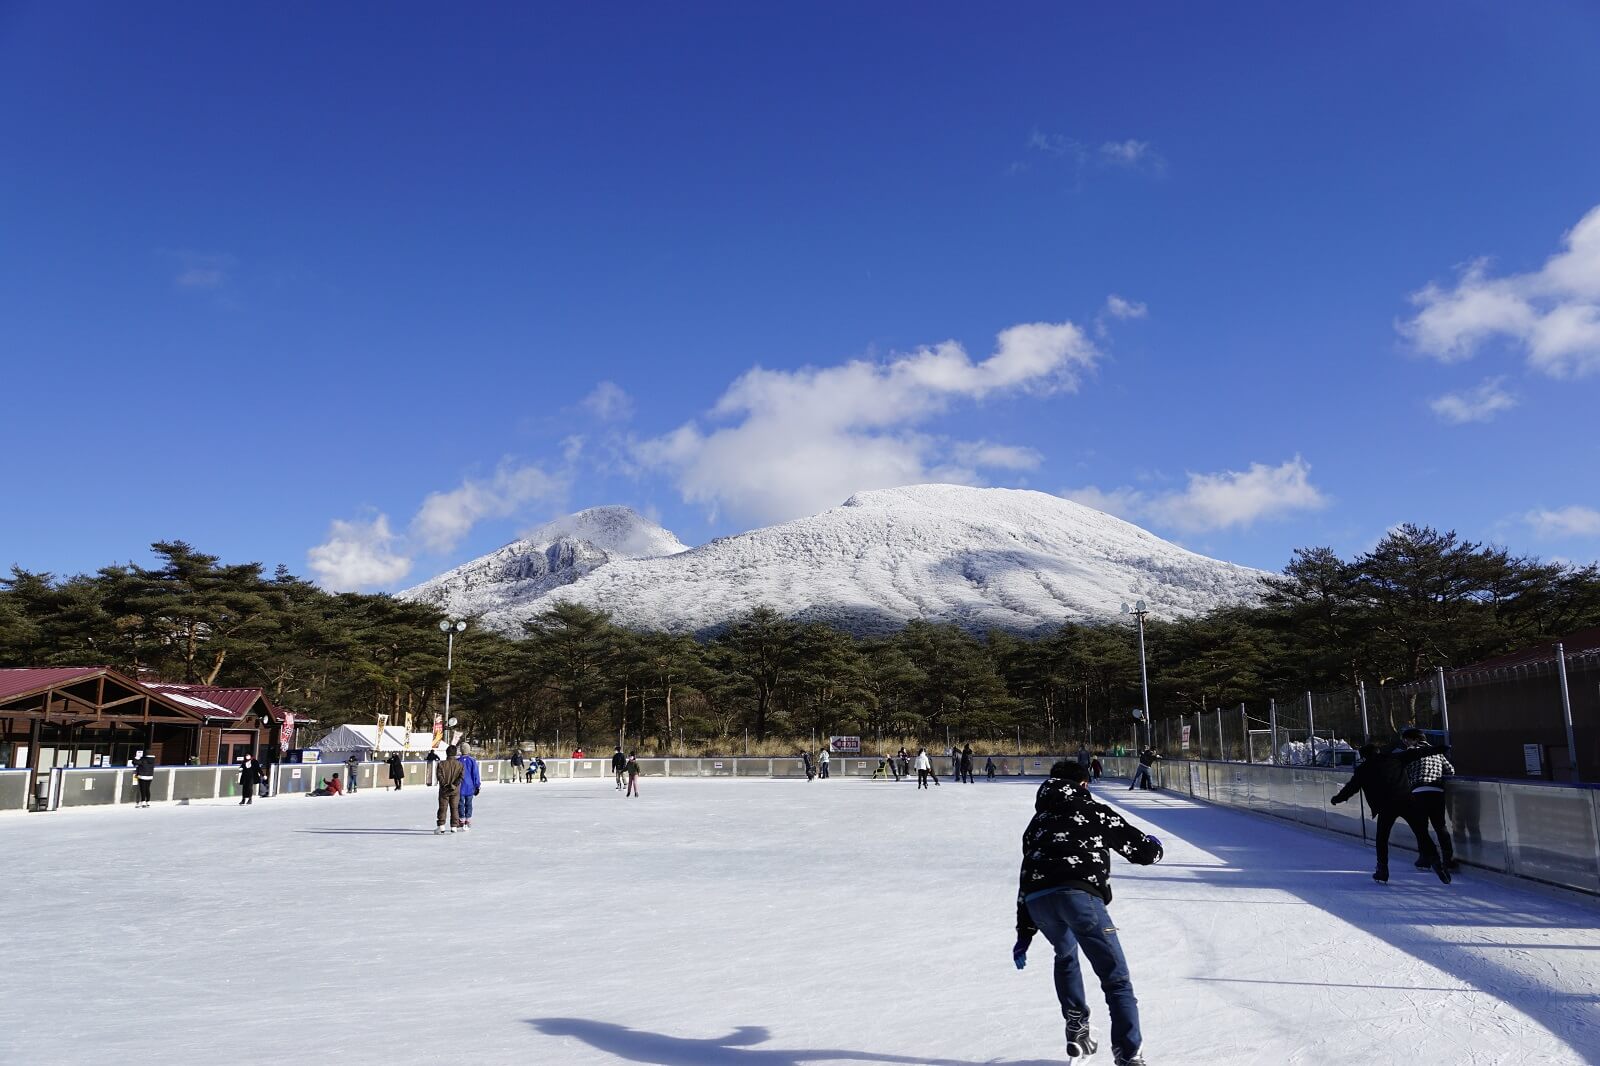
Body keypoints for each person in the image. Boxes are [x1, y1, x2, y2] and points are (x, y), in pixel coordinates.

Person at [1013, 760, 1163, 1065]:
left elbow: (1027, 873)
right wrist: (1155, 846)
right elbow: (1141, 852)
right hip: (1080, 897)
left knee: (1065, 955)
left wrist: (1024, 932)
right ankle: (1129, 1054)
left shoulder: (1037, 822)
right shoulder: (1091, 810)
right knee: (1116, 979)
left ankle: (1078, 1030)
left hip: (1039, 902)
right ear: (1082, 783)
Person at [1331, 740, 1451, 883]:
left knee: (1382, 838)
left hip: (1385, 806)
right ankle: (1436, 862)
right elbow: (1418, 753)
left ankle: (1382, 870)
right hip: (1406, 801)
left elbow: (1350, 789)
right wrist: (1441, 748)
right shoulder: (1395, 758)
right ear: (1378, 751)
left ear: (1364, 756)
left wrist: (1337, 799)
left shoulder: (1362, 770)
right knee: (1421, 833)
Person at [1401, 727, 1458, 874]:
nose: (1405, 742)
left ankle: (1425, 858)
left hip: (1418, 792)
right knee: (1440, 826)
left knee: (1421, 828)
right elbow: (1450, 771)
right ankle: (1448, 859)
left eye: (1406, 739)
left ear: (1414, 739)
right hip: (1437, 791)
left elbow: (1402, 772)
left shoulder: (1410, 753)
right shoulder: (1437, 752)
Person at [435, 744, 464, 833]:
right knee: (454, 808)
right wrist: (454, 785)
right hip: (455, 790)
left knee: (443, 807)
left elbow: (439, 776)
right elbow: (461, 777)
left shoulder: (441, 764)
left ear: (447, 753)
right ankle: (454, 826)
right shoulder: (459, 764)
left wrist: (445, 784)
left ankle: (441, 825)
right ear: (455, 754)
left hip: (444, 790)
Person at [457, 744, 482, 830]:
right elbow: (475, 774)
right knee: (469, 804)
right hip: (470, 787)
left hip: (460, 787)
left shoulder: (457, 761)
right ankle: (468, 819)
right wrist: (477, 785)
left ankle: (461, 819)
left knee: (460, 804)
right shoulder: (472, 761)